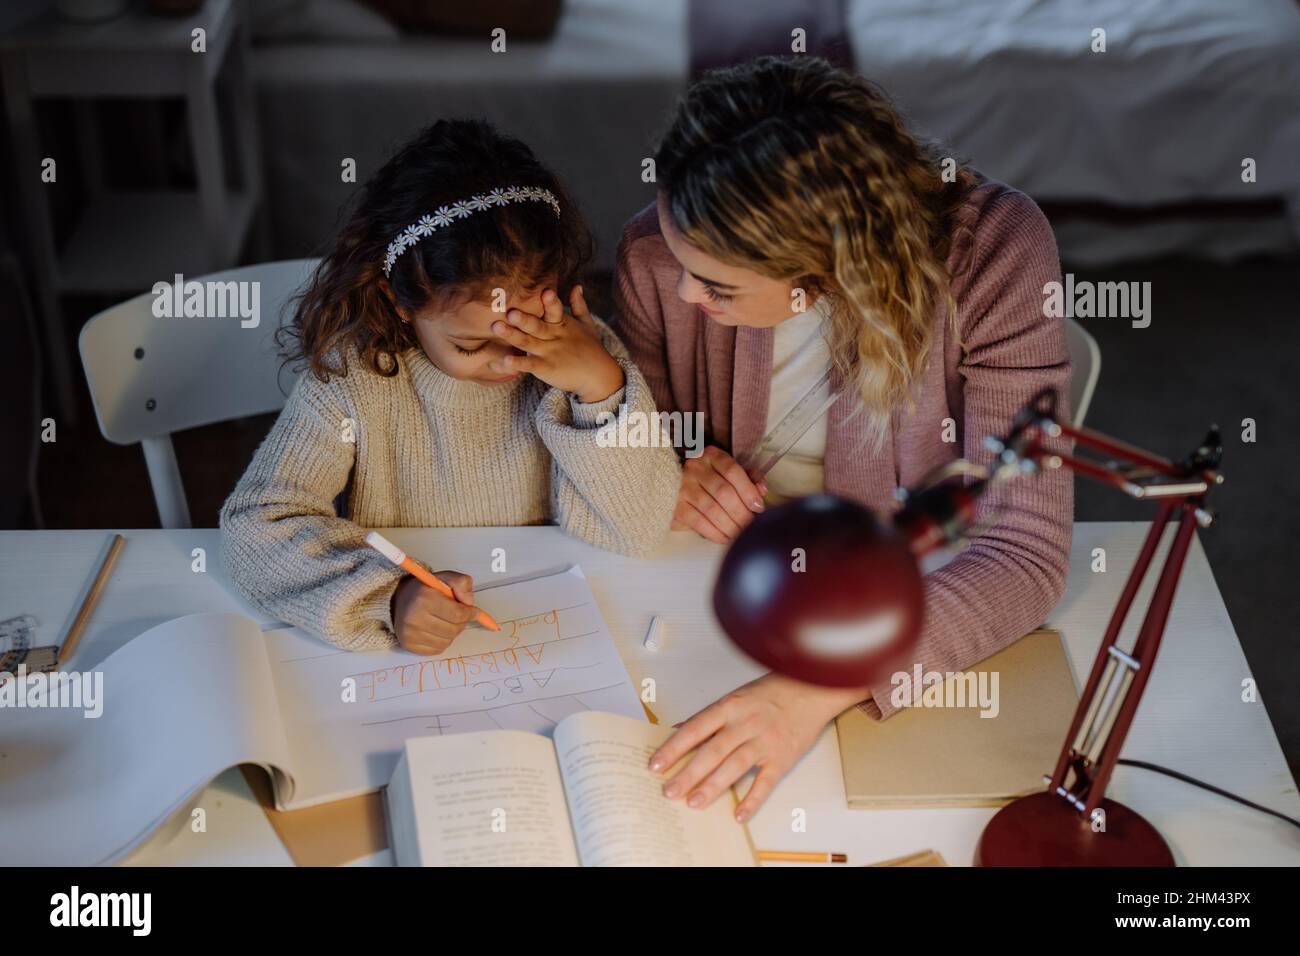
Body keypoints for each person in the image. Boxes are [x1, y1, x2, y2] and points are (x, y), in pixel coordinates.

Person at [614, 57, 1073, 821]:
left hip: (910, 590)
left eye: (719, 288)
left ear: (826, 266)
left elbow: (1023, 549)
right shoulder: (659, 254)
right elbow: (641, 430)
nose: (686, 295)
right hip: (714, 585)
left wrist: (812, 694)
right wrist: (671, 464)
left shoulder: (997, 250)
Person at [221, 119, 680, 654]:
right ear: (402, 304)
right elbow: (255, 523)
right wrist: (384, 599)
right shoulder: (357, 376)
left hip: (548, 628)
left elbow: (640, 530)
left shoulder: (580, 354)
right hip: (409, 658)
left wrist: (600, 387)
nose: (513, 361)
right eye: (470, 346)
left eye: (530, 326)